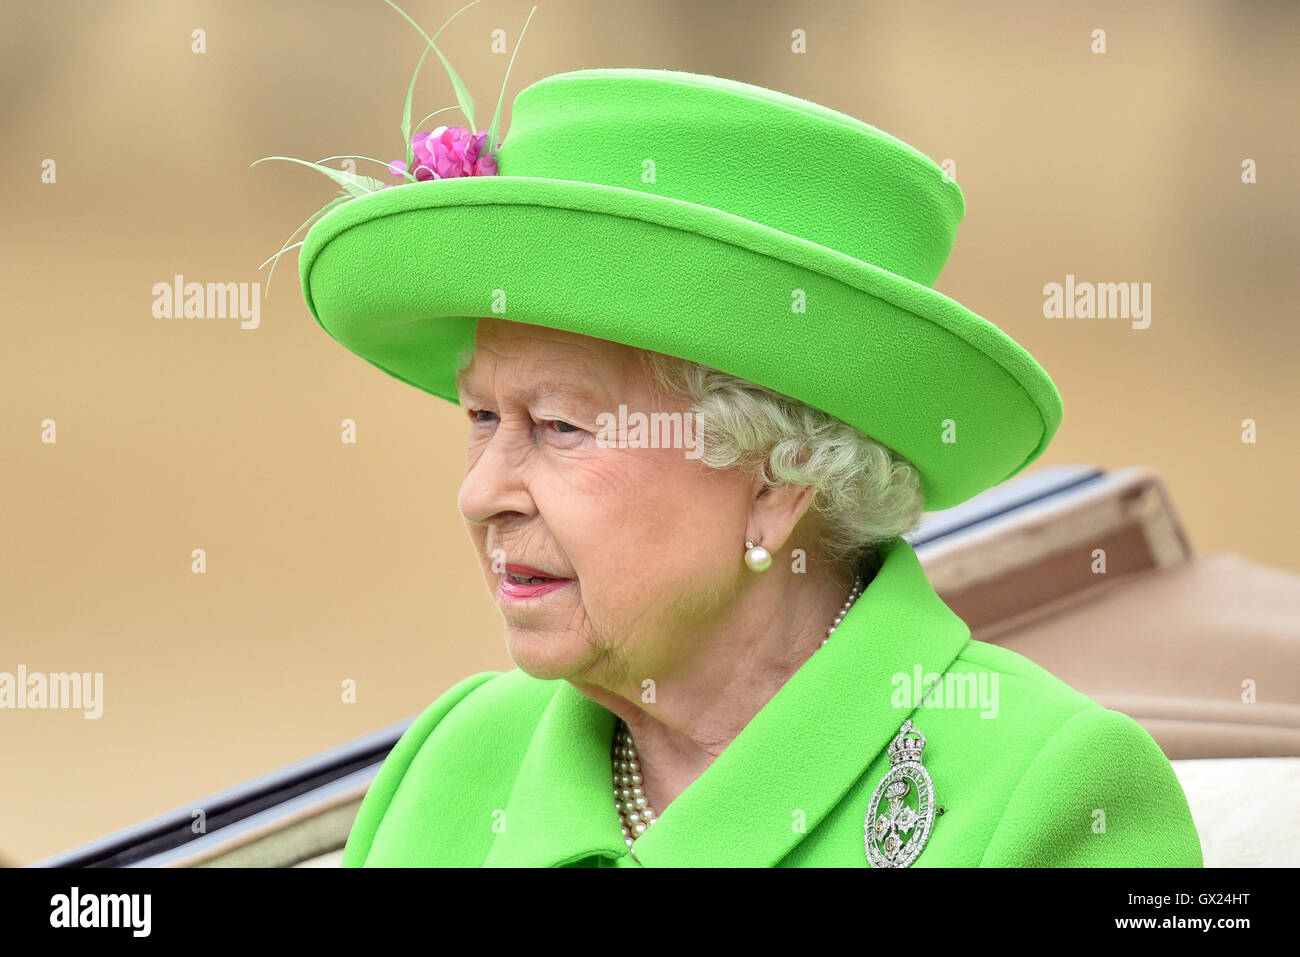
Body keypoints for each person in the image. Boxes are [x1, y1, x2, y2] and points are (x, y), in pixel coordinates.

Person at [285, 67, 1203, 867]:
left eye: (560, 425)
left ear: (776, 480)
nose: (480, 492)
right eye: (483, 416)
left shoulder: (1046, 793)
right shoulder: (454, 763)